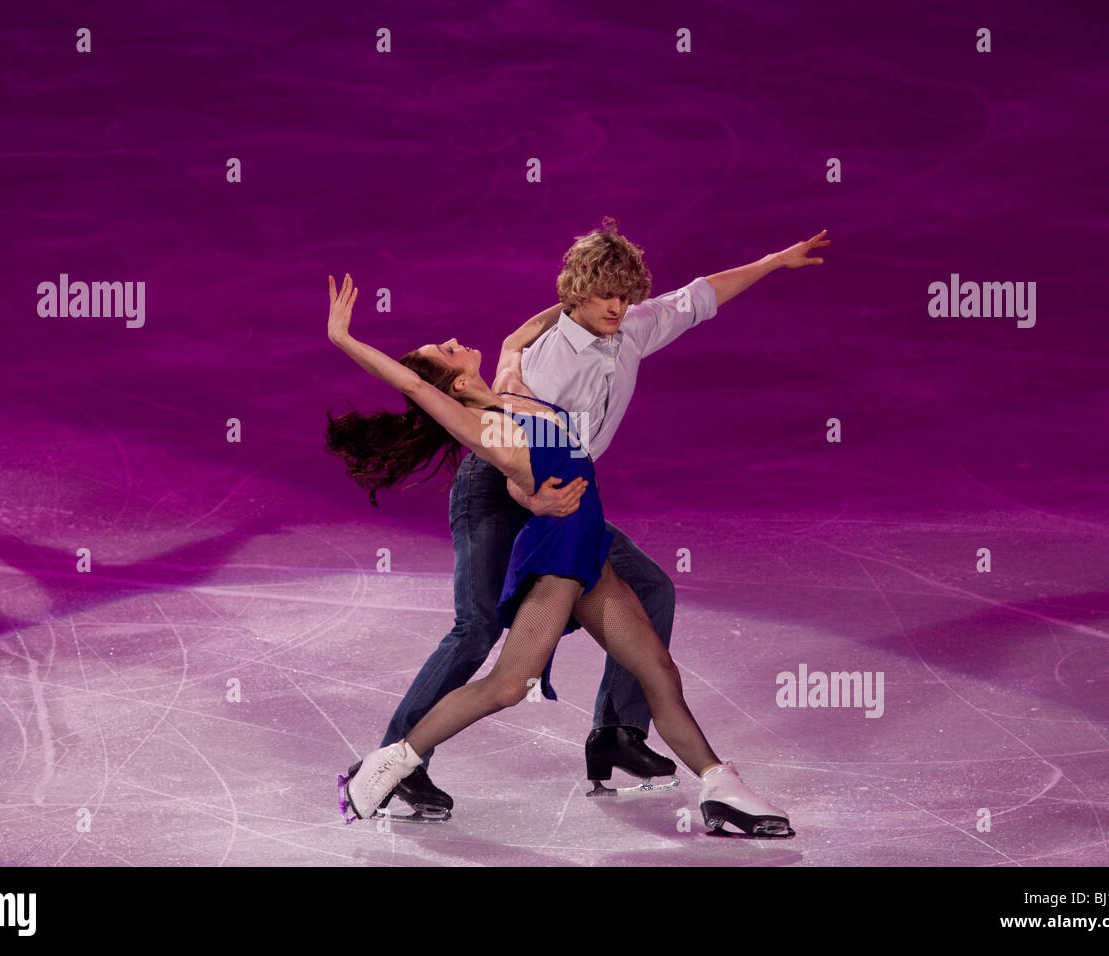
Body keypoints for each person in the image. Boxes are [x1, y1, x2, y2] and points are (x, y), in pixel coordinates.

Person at [333, 219, 829, 821]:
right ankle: (394, 763)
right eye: (607, 294)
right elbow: (503, 453)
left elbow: (688, 297)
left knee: (652, 605)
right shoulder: (519, 388)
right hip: (508, 498)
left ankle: (636, 741)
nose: (621, 306)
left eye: (625, 293)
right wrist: (345, 338)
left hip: (574, 518)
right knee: (480, 632)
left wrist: (773, 258)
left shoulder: (553, 359)